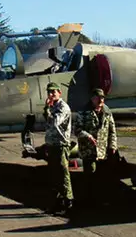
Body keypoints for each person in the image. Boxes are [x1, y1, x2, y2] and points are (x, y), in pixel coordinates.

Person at [74, 88, 118, 205]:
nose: (100, 100)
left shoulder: (107, 112)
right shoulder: (83, 112)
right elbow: (77, 130)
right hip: (88, 150)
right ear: (92, 99)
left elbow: (112, 130)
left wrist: (112, 145)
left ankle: (100, 198)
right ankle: (87, 199)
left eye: (102, 98)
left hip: (102, 150)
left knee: (102, 176)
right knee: (89, 174)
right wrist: (87, 136)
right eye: (97, 98)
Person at [43, 81, 74, 215]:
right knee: (54, 176)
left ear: (59, 93)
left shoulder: (63, 107)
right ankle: (56, 203)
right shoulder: (53, 106)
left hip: (61, 145)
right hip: (52, 145)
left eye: (53, 92)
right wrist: (47, 109)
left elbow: (55, 122)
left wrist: (48, 110)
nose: (51, 94)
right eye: (49, 92)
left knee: (63, 175)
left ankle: (69, 203)